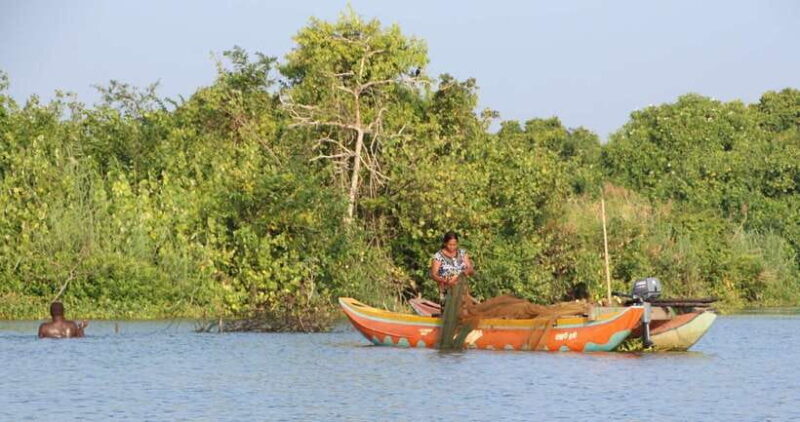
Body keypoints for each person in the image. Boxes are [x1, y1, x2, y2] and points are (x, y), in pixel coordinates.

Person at [430, 231, 475, 305]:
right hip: (447, 291)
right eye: (450, 244)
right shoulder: (438, 256)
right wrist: (445, 281)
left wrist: (467, 271)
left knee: (465, 310)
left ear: (457, 243)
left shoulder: (462, 253)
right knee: (450, 312)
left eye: (454, 245)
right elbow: (433, 275)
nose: (452, 247)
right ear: (445, 243)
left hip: (462, 290)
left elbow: (471, 269)